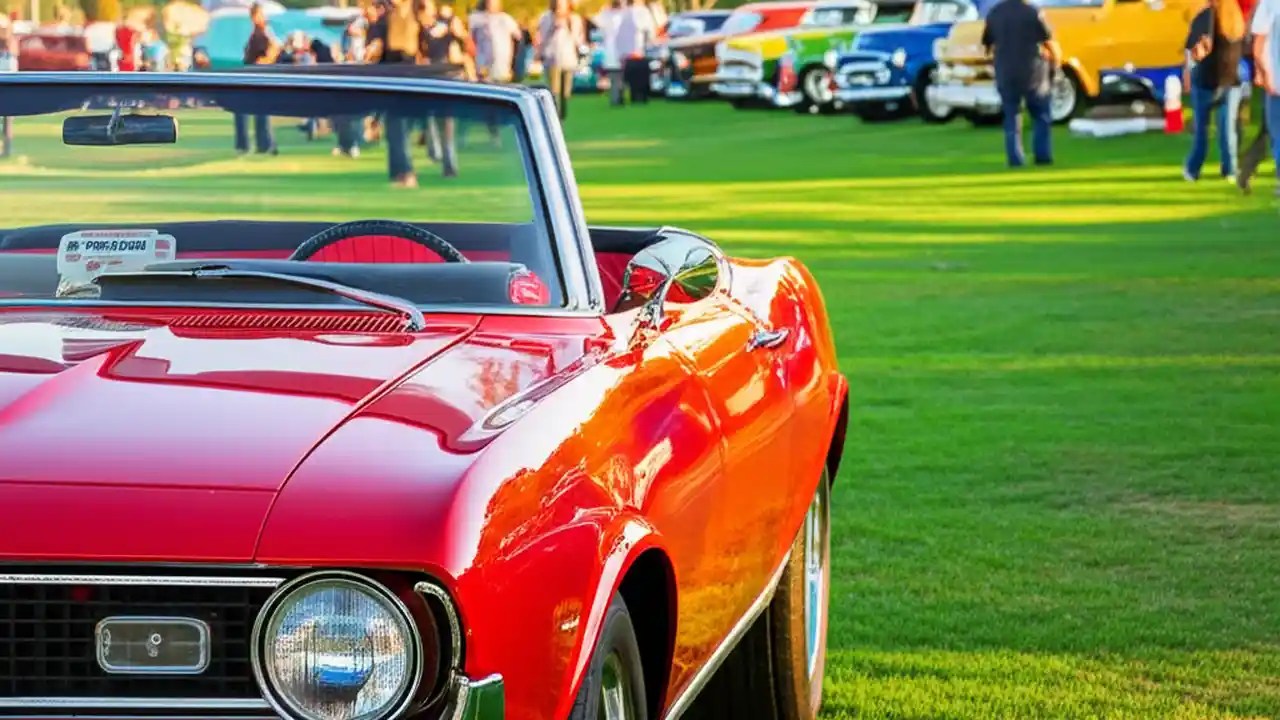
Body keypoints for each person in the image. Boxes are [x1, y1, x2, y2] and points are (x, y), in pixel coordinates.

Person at [980, 0, 1060, 168]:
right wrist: (1056, 62)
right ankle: (1042, 155)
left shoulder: (995, 13)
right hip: (1032, 71)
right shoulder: (1032, 12)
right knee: (1041, 115)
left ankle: (1015, 158)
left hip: (1006, 72)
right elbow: (1048, 40)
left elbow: (987, 44)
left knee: (1011, 116)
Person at [1183, 0, 1246, 182]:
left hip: (1206, 80)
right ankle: (1230, 170)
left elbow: (1193, 47)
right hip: (1230, 80)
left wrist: (1188, 70)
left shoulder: (1206, 15)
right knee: (1228, 132)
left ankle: (1193, 169)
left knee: (1201, 132)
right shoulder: (1236, 21)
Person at [1240, 0, 1279, 193]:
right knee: (1270, 132)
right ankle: (1246, 171)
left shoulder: (1267, 5)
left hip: (1273, 80)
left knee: (1271, 132)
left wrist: (1263, 72)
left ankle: (1246, 170)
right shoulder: (1268, 5)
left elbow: (1255, 41)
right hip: (1272, 80)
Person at [235, 3, 281, 155]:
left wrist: (263, 62)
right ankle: (261, 145)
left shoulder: (265, 30)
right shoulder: (256, 32)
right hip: (252, 74)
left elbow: (275, 48)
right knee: (252, 111)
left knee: (255, 111)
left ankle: (263, 145)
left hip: (259, 75)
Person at [537, 0, 585, 119]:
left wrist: (567, 26)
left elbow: (577, 39)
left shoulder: (574, 19)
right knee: (554, 90)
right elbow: (542, 37)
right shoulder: (546, 18)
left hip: (568, 58)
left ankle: (563, 113)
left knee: (566, 91)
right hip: (552, 57)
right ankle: (555, 114)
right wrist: (553, 26)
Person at [470, 0, 521, 81]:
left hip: (502, 60)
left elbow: (518, 37)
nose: (492, 5)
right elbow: (472, 38)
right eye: (490, 2)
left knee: (501, 82)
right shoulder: (477, 19)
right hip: (483, 60)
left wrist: (514, 62)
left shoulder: (505, 19)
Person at [617, 0, 655, 103]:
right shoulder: (643, 12)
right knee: (640, 77)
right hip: (638, 50)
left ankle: (627, 96)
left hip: (626, 52)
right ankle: (640, 96)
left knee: (628, 77)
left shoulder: (623, 12)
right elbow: (650, 32)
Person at [595, 0, 625, 105]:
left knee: (614, 77)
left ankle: (615, 98)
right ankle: (617, 98)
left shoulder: (607, 16)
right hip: (619, 51)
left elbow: (598, 25)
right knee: (618, 77)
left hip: (612, 51)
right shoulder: (622, 15)